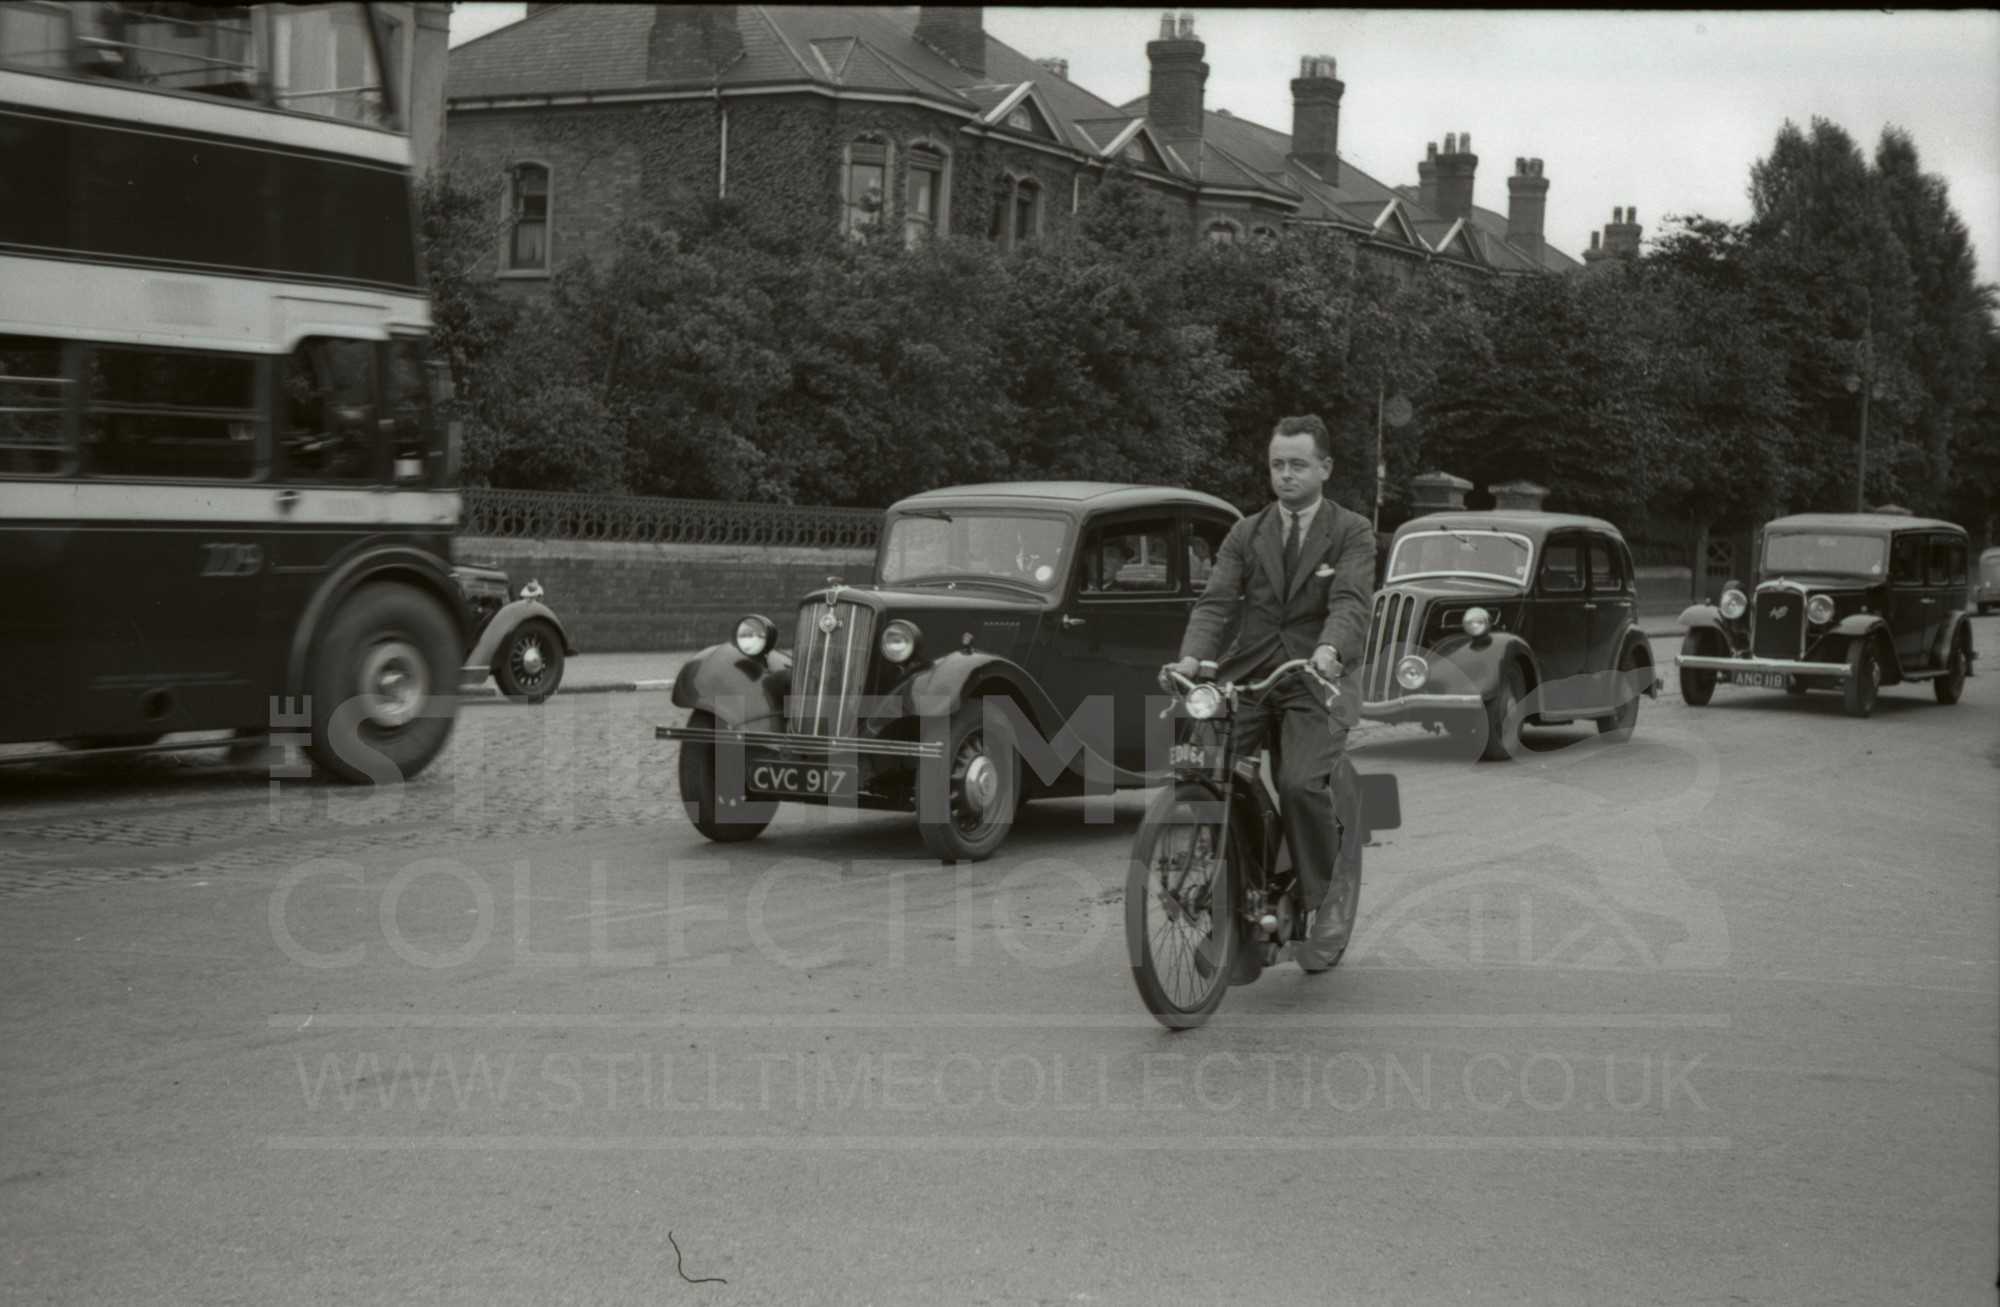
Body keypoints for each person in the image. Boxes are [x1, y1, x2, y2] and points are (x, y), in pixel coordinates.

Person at [1169, 414, 1373, 974]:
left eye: (1298, 465)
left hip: (1316, 677)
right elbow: (1216, 603)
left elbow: (1352, 601)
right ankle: (1237, 908)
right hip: (1252, 674)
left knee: (1299, 783)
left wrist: (1331, 649)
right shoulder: (1247, 532)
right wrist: (1191, 658)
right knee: (1211, 774)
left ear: (1324, 468)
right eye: (1277, 465)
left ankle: (1322, 899)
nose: (1285, 475)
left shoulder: (1351, 531)